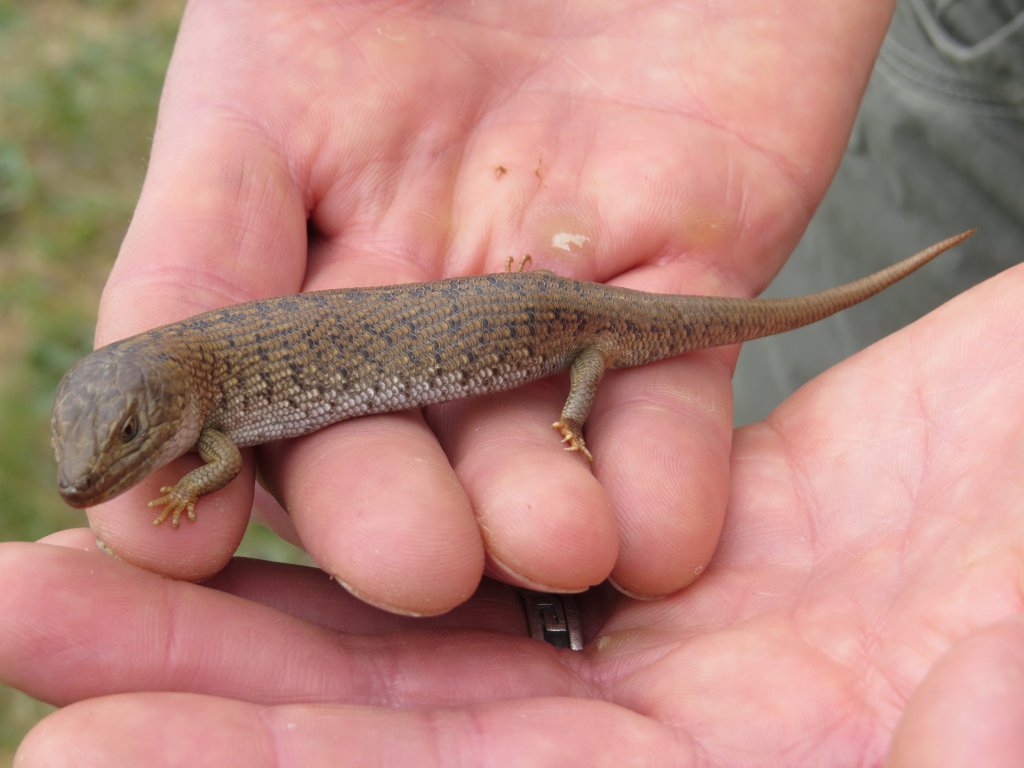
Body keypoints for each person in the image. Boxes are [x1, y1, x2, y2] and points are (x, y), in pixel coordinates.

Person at [2, 2, 1022, 763]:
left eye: (125, 446)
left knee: (657, 409)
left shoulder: (205, 403)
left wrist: (572, 418)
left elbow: (222, 453)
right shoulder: (185, 372)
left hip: (565, 329)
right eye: (99, 453)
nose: (100, 475)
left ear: (157, 406)